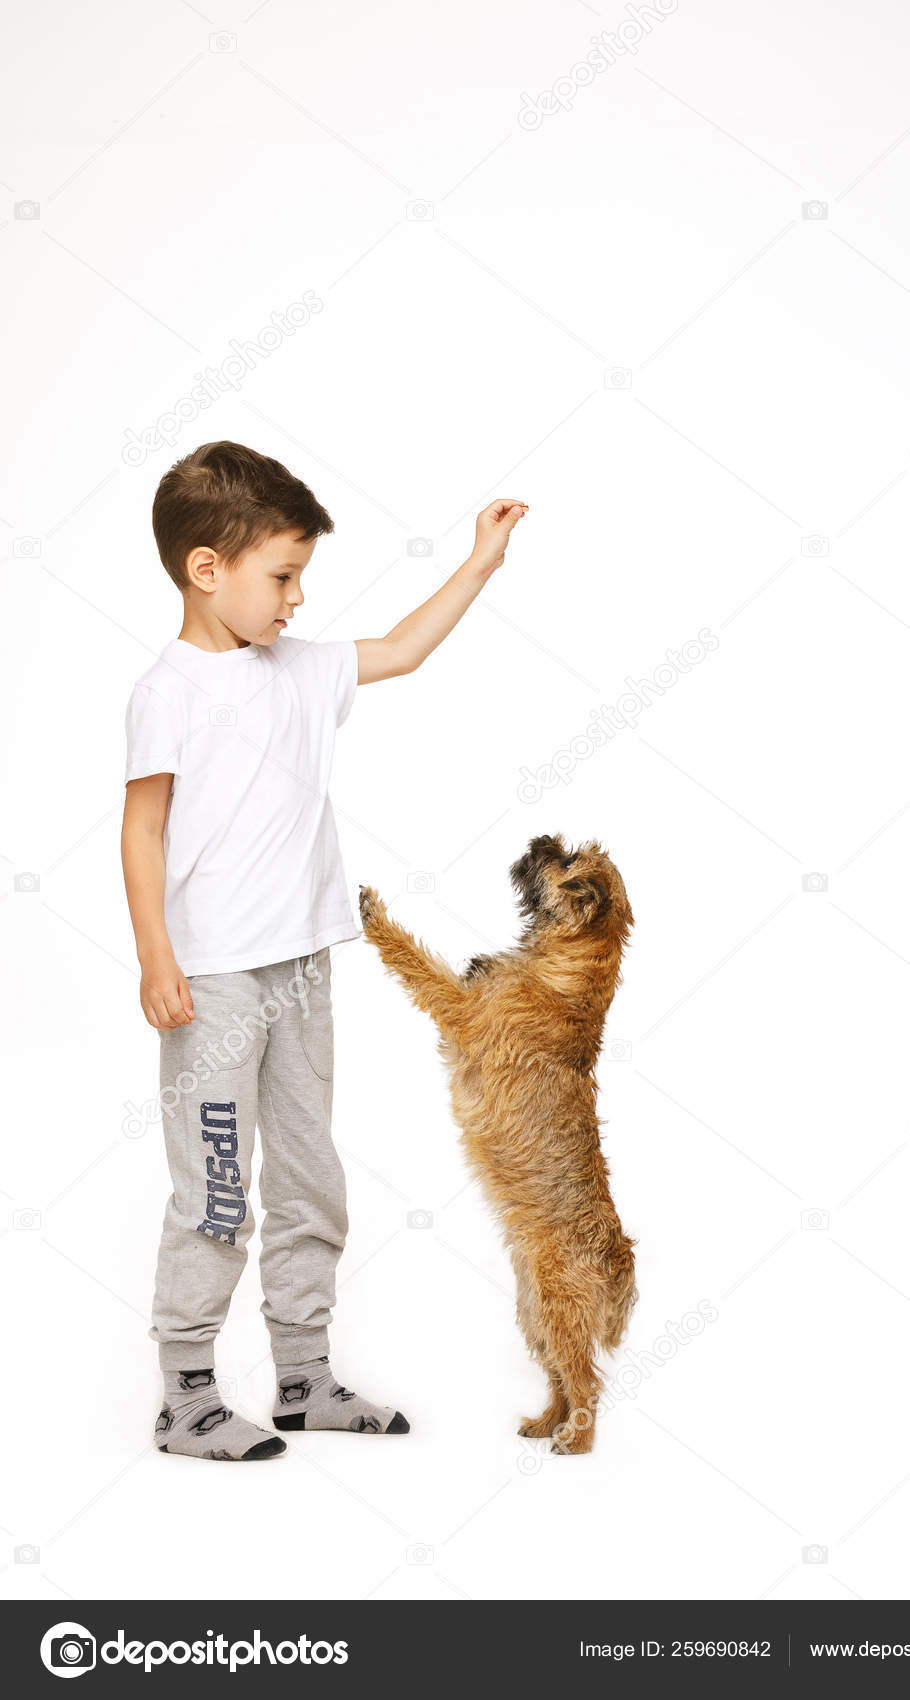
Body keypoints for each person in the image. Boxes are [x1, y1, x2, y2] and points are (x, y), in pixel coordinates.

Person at [121, 439, 527, 1461]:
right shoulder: (165, 692)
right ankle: (185, 1394)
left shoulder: (301, 671)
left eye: (302, 577)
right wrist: (155, 956)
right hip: (212, 978)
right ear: (205, 569)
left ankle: (302, 1376)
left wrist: (477, 561)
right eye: (283, 576)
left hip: (303, 965)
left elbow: (400, 647)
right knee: (218, 1187)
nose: (297, 599)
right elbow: (142, 831)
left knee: (310, 1175)